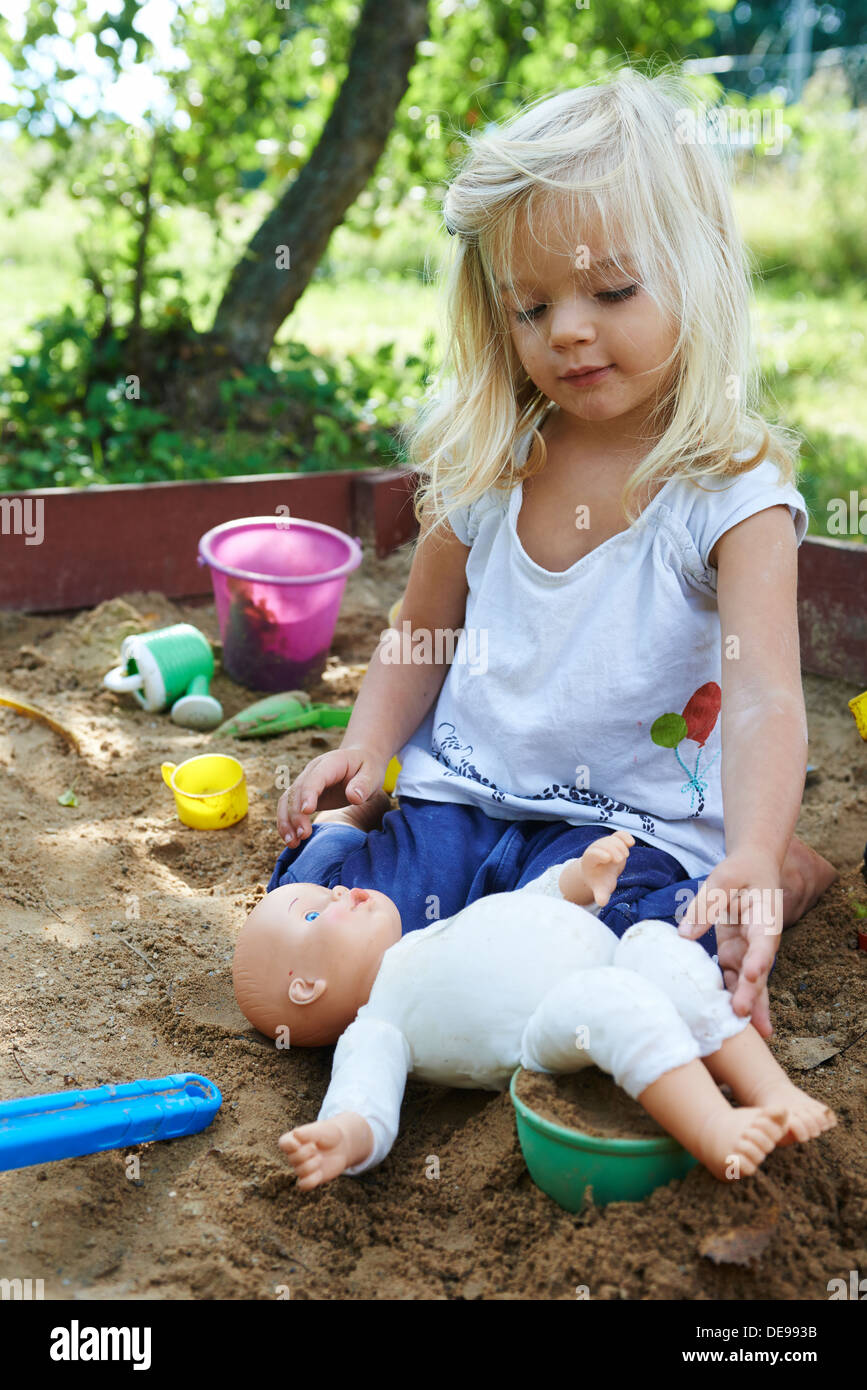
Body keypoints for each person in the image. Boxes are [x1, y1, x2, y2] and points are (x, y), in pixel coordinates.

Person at [271, 65, 837, 1040]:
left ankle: (775, 866)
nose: (567, 329)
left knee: (645, 976)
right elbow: (420, 632)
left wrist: (748, 848)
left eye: (610, 289)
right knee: (303, 937)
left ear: (696, 269)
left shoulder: (730, 495)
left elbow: (764, 695)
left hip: (631, 835)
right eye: (530, 308)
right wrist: (367, 746)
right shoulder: (492, 462)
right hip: (462, 808)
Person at [232, 832, 836, 1191]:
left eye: (326, 887)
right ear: (307, 987)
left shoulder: (425, 936)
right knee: (609, 1003)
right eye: (315, 911)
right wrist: (344, 1137)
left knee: (663, 947)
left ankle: (771, 1089)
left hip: (611, 949)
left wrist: (577, 878)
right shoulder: (377, 1025)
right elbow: (363, 1097)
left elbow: (520, 907)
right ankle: (711, 1128)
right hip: (553, 1021)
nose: (338, 889)